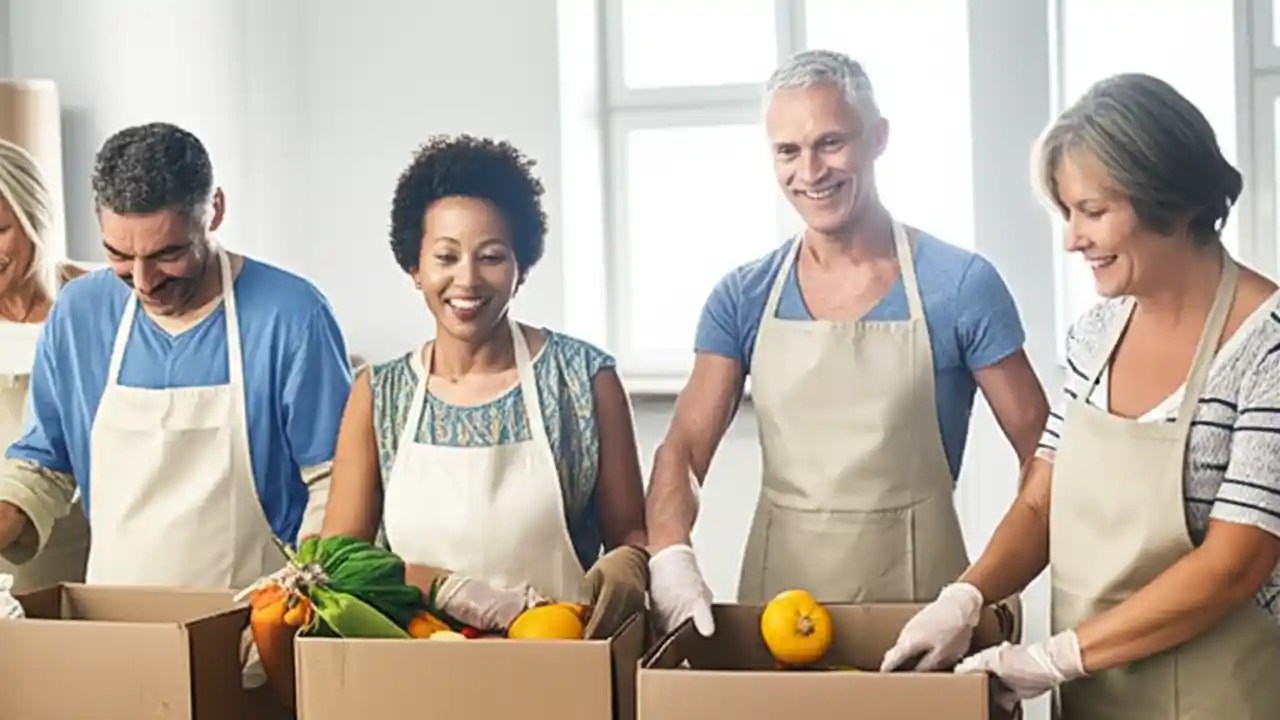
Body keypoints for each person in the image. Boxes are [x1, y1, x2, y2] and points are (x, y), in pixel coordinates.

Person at [881, 73, 1280, 717]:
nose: (1072, 239)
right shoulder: (1096, 334)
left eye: (1093, 212)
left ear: (1171, 202)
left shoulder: (1268, 348)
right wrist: (967, 596)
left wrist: (1052, 658)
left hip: (1220, 697)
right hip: (1097, 694)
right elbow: (1043, 503)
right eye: (1067, 213)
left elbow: (1235, 563)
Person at [644, 48, 1049, 636]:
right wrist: (670, 556)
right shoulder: (744, 295)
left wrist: (985, 594)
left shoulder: (960, 286)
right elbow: (682, 450)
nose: (810, 172)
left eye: (831, 142)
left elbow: (1043, 452)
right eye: (788, 150)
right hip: (778, 614)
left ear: (878, 138)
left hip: (923, 612)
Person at [0, 122, 352, 593]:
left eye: (168, 254)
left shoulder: (291, 315)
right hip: (116, 620)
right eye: (119, 254)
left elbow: (336, 482)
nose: (144, 282)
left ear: (215, 211)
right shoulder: (79, 313)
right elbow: (44, 462)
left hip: (255, 626)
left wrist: (304, 593)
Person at [320, 134, 649, 638]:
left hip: (556, 671)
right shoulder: (378, 396)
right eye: (446, 257)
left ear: (522, 267)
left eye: (491, 256)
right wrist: (448, 589)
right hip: (412, 680)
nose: (467, 280)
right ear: (414, 267)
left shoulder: (583, 381)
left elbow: (630, 534)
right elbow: (336, 565)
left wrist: (631, 569)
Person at [0, 138, 91, 593]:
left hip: (90, 546)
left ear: (35, 215)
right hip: (9, 547)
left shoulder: (100, 298)